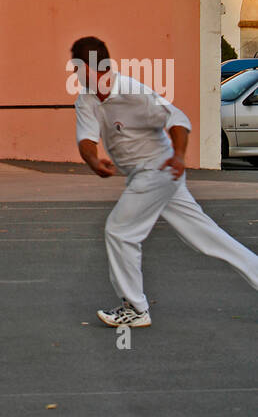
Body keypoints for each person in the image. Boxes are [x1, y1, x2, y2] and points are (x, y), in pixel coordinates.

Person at [71, 35, 258, 327]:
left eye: (76, 67)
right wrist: (94, 161)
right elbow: (86, 140)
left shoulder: (134, 93)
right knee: (207, 237)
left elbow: (178, 121)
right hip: (151, 175)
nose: (74, 73)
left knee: (120, 231)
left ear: (92, 67)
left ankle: (135, 308)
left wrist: (179, 156)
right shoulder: (86, 100)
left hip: (159, 169)